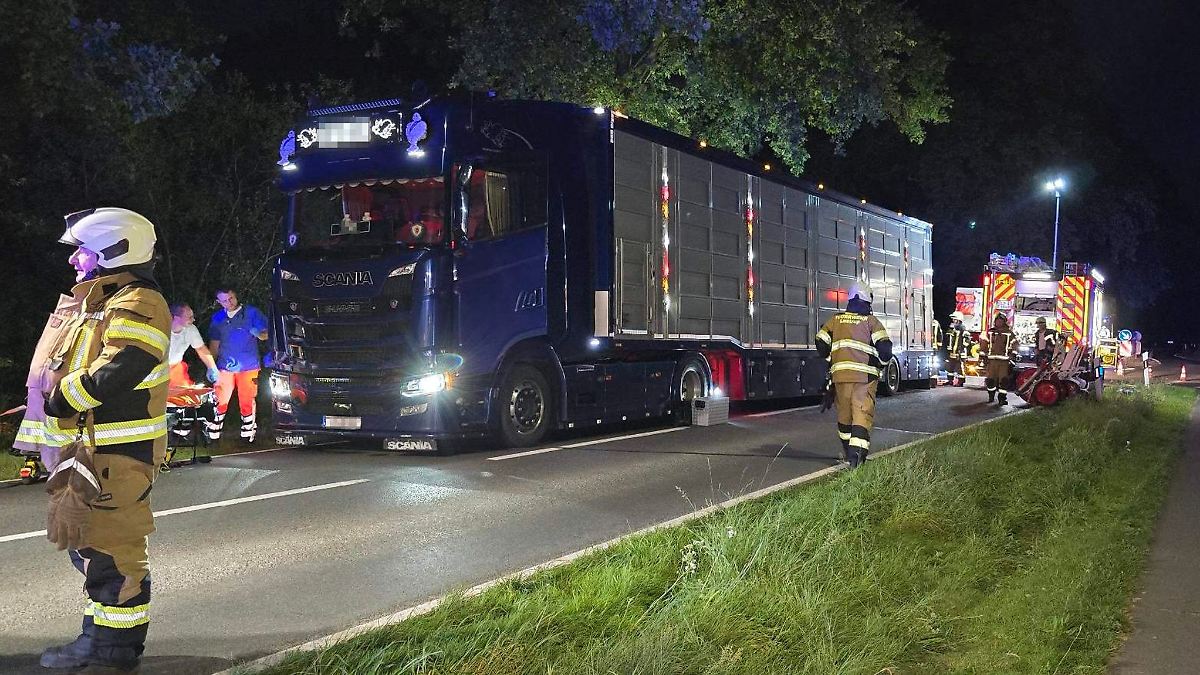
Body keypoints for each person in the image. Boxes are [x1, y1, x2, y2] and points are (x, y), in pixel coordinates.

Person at [35, 207, 171, 672]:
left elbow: (123, 365)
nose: (75, 260)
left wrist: (61, 399)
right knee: (93, 549)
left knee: (114, 552)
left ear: (116, 249)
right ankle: (99, 638)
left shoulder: (138, 301)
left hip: (119, 453)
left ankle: (112, 651)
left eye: (83, 250)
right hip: (97, 451)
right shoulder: (106, 300)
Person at [815, 282, 893, 468]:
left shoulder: (836, 320)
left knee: (844, 417)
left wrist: (831, 360)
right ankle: (856, 461)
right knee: (861, 415)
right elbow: (885, 349)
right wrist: (879, 365)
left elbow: (821, 341)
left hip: (840, 378)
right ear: (868, 299)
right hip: (864, 379)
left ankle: (848, 452)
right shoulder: (871, 322)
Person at [206, 289, 269, 443]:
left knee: (247, 399)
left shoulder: (252, 313)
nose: (229, 303)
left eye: (231, 298)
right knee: (220, 399)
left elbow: (267, 334)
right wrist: (211, 366)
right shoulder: (218, 318)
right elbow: (214, 344)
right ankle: (214, 435)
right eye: (224, 300)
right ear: (219, 302)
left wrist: (258, 334)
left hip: (249, 365)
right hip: (224, 366)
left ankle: (247, 436)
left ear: (236, 296)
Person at [167, 303, 220, 444]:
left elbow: (201, 349)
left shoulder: (190, 330)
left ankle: (179, 434)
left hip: (176, 368)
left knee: (186, 398)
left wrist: (212, 367)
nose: (193, 319)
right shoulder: (162, 329)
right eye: (189, 317)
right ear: (175, 317)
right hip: (158, 368)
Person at [980, 313, 1018, 405]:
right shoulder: (990, 332)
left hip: (1004, 362)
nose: (999, 322)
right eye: (997, 320)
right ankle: (991, 396)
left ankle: (1002, 399)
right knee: (990, 380)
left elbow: (1015, 346)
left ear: (1004, 322)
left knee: (1003, 381)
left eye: (1001, 321)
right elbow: (984, 345)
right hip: (992, 361)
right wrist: (983, 357)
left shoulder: (1010, 333)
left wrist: (1012, 357)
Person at [944, 311, 973, 386]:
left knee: (960, 368)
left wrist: (962, 348)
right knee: (950, 367)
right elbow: (948, 338)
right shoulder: (953, 329)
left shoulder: (963, 329)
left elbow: (967, 340)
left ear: (959, 320)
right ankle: (950, 380)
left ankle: (961, 382)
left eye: (954, 319)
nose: (953, 321)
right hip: (953, 352)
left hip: (960, 353)